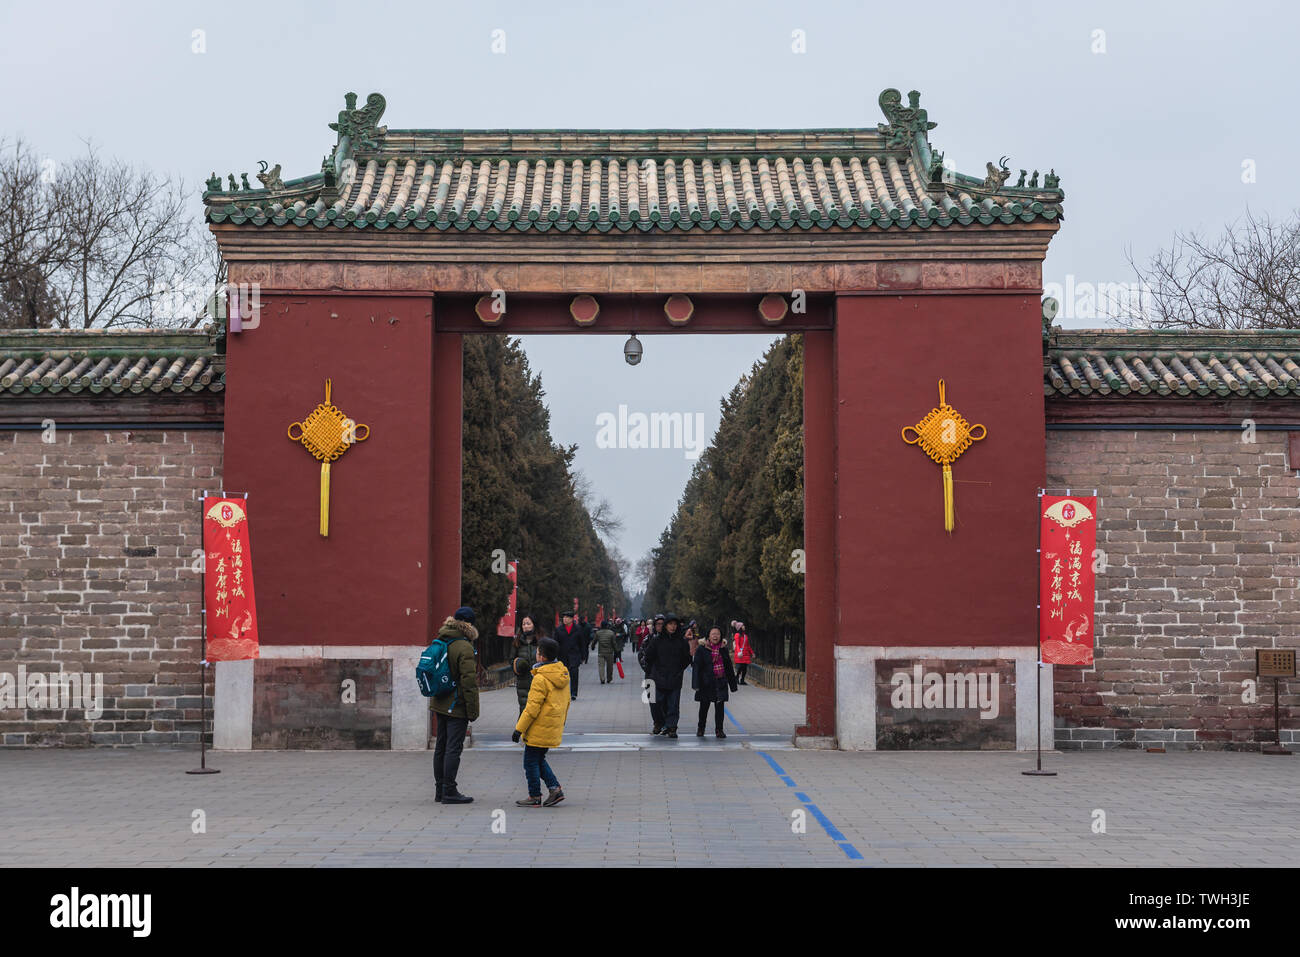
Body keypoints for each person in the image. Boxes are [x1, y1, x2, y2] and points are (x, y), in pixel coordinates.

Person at [431, 606, 480, 805]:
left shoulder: (441, 638)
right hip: (456, 704)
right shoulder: (464, 646)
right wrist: (473, 710)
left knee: (441, 747)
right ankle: (449, 790)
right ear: (469, 624)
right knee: (453, 748)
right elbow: (468, 681)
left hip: (439, 701)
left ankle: (439, 790)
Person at [512, 636, 569, 807]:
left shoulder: (540, 678)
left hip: (539, 727)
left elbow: (532, 708)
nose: (536, 654)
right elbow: (567, 702)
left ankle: (535, 795)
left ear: (542, 657)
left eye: (537, 652)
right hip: (552, 726)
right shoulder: (562, 673)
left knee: (530, 761)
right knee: (538, 759)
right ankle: (554, 789)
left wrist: (518, 729)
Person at [644, 613, 692, 738]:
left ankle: (672, 727)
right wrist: (654, 670)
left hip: (675, 678)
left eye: (675, 624)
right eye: (670, 624)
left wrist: (679, 670)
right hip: (658, 677)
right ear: (666, 626)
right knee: (657, 703)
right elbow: (648, 656)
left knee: (673, 705)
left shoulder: (681, 642)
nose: (673, 627)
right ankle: (659, 723)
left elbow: (687, 658)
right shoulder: (657, 640)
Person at [694, 626, 738, 738]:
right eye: (713, 634)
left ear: (721, 636)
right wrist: (696, 684)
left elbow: (728, 667)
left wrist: (733, 685)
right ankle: (701, 728)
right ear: (708, 636)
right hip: (706, 683)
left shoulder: (723, 649)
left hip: (720, 682)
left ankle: (719, 730)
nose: (715, 636)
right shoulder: (701, 649)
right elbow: (697, 668)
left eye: (717, 634)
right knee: (704, 707)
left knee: (720, 708)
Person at [640, 614, 666, 733]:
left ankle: (666, 723)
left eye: (662, 624)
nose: (660, 626)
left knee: (665, 701)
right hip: (650, 675)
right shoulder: (648, 639)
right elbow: (641, 656)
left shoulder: (669, 639)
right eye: (658, 624)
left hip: (666, 676)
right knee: (652, 701)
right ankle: (657, 722)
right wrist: (648, 669)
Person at [511, 614, 540, 714]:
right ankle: (521, 729)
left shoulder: (541, 641)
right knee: (524, 709)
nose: (525, 626)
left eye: (528, 623)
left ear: (534, 625)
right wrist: (518, 667)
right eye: (523, 624)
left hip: (539, 681)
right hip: (523, 681)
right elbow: (511, 660)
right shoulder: (517, 642)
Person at [555, 610, 584, 700]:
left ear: (571, 619)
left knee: (574, 674)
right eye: (563, 617)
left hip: (574, 655)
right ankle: (564, 692)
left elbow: (582, 643)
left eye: (567, 617)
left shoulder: (578, 629)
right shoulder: (559, 629)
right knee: (564, 675)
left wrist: (583, 656)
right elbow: (556, 643)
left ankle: (573, 693)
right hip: (562, 655)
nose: (565, 619)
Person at [591, 618, 619, 684]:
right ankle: (609, 679)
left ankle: (602, 679)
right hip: (609, 653)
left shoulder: (598, 633)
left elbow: (594, 641)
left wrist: (592, 647)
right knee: (610, 667)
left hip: (601, 652)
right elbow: (614, 643)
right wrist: (616, 651)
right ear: (607, 625)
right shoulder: (611, 633)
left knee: (601, 666)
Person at [732, 621, 753, 686]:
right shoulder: (737, 635)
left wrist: (752, 652)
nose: (744, 627)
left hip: (745, 654)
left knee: (745, 668)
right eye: (743, 626)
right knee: (739, 667)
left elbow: (748, 645)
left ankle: (742, 680)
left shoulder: (745, 636)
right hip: (740, 654)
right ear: (740, 627)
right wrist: (738, 652)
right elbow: (737, 644)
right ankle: (737, 677)